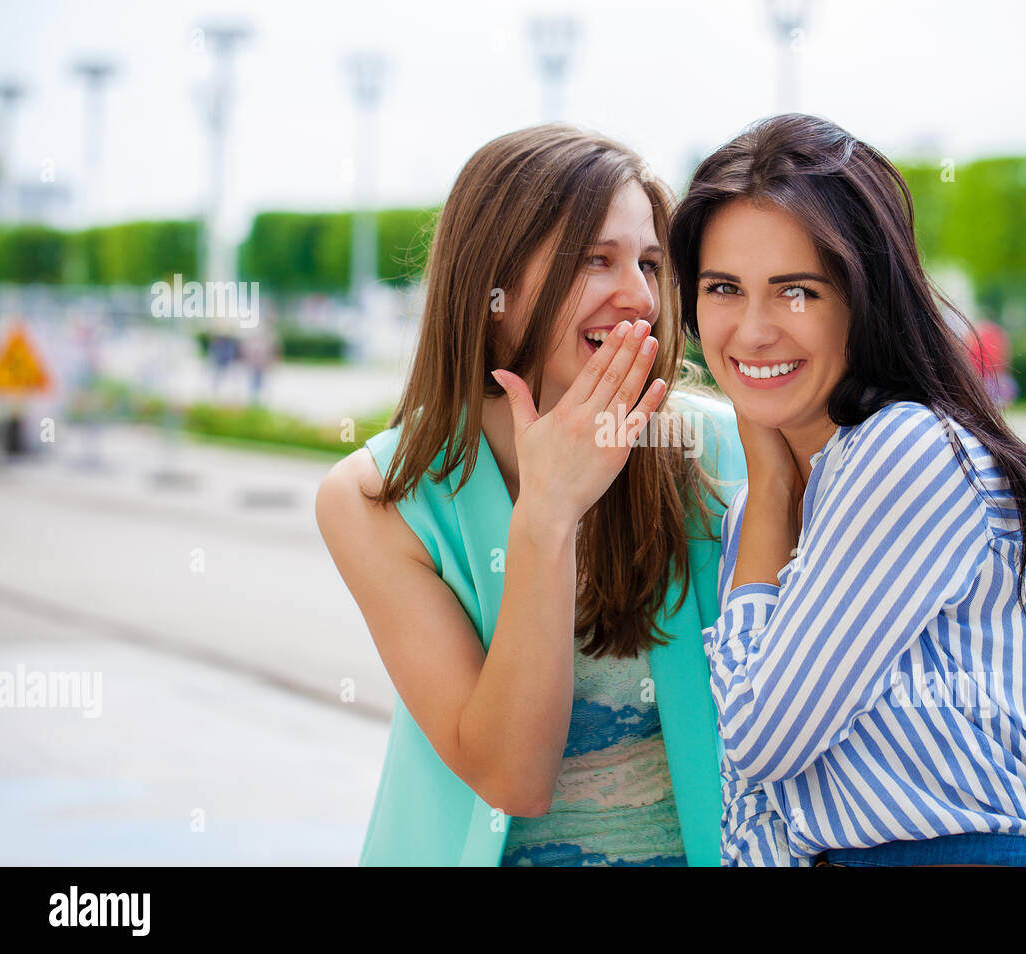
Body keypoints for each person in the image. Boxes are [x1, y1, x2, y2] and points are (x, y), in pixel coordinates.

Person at [667, 113, 1026, 867]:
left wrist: (767, 491)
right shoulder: (766, 508)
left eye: (796, 291)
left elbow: (763, 738)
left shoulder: (908, 453)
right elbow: (758, 805)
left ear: (865, 297)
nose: (754, 329)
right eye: (724, 288)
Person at [315, 124, 745, 866]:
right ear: (492, 287)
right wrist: (547, 513)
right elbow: (512, 777)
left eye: (649, 262)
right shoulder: (378, 497)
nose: (639, 295)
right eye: (594, 259)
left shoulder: (720, 451)